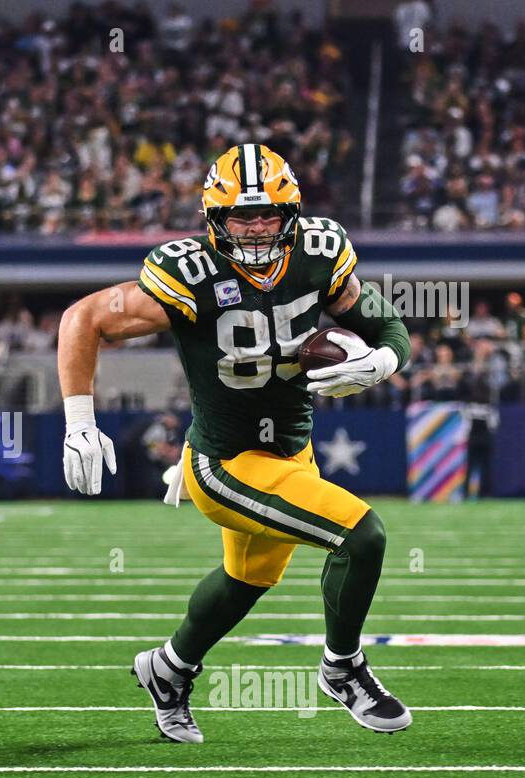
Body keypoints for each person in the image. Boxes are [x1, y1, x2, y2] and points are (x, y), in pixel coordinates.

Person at [58, 144, 413, 743]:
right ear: (214, 218)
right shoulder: (189, 272)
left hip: (291, 452)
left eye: (269, 214)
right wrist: (79, 421)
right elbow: (83, 318)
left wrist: (381, 361)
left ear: (292, 214)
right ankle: (343, 668)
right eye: (241, 216)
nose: (256, 228)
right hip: (225, 463)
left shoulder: (320, 253)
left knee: (246, 579)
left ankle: (169, 668)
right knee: (362, 535)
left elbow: (389, 326)